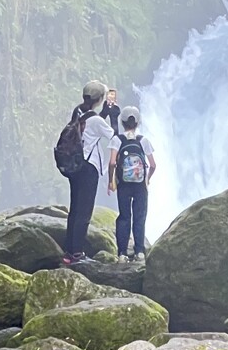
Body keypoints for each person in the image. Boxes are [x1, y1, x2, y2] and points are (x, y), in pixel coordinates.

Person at [57, 79, 114, 264]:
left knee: (75, 209)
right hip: (89, 168)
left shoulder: (78, 111)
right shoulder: (96, 120)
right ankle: (77, 254)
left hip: (75, 165)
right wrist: (112, 114)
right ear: (99, 99)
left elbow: (90, 125)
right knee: (85, 212)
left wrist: (103, 112)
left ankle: (69, 252)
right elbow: (114, 136)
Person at [107, 105, 155, 263]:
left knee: (124, 217)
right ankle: (139, 252)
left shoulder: (117, 140)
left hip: (124, 184)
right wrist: (147, 178)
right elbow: (153, 165)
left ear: (122, 122)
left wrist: (111, 180)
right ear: (138, 123)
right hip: (140, 185)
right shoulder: (143, 140)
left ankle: (122, 254)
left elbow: (113, 162)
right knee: (139, 217)